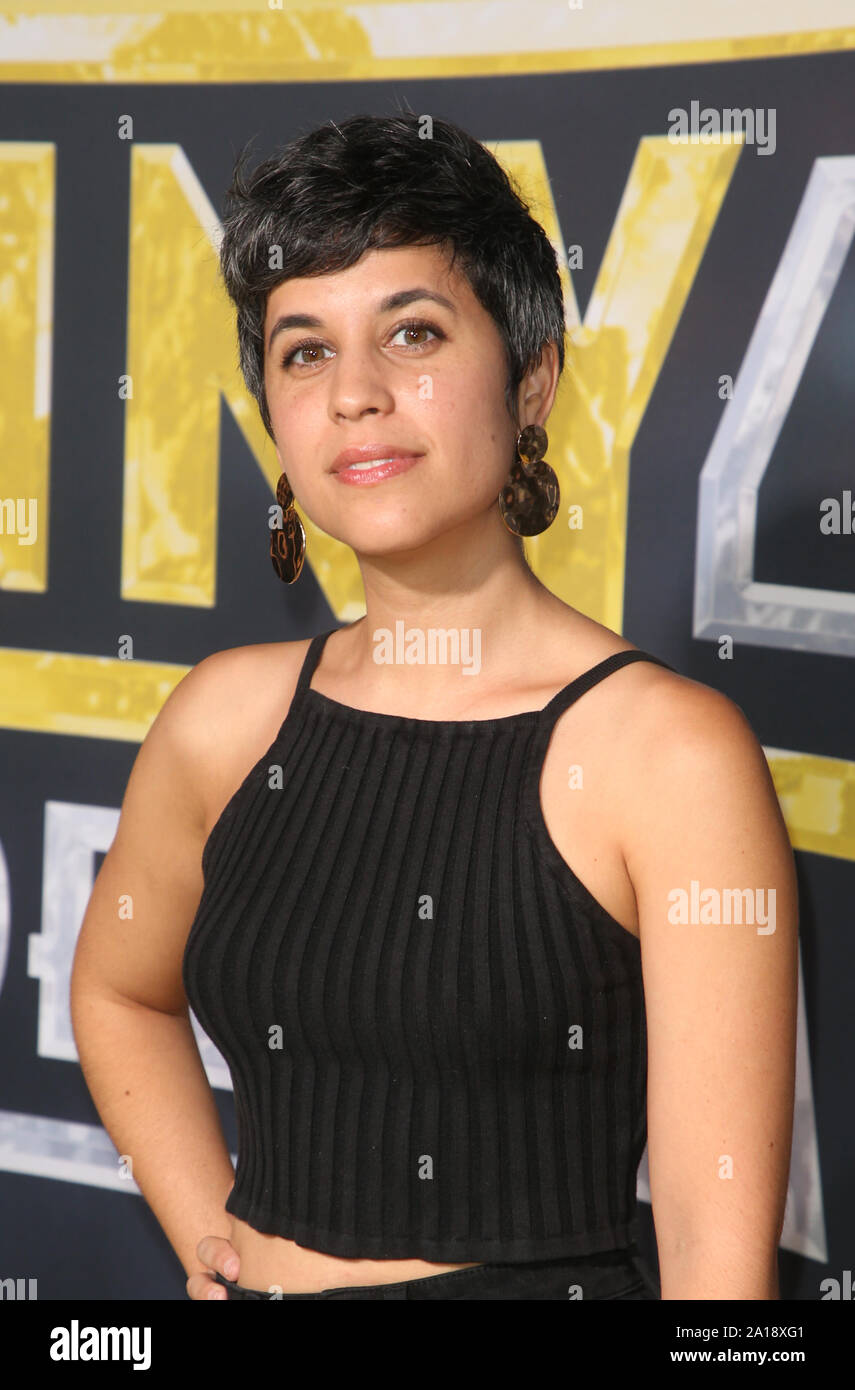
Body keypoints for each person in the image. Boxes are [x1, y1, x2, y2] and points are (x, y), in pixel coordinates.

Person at [70, 111, 798, 1301]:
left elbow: (723, 1284)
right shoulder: (226, 718)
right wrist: (217, 1244)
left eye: (412, 333)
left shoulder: (664, 753)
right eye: (304, 351)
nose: (356, 394)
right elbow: (114, 989)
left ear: (532, 379)